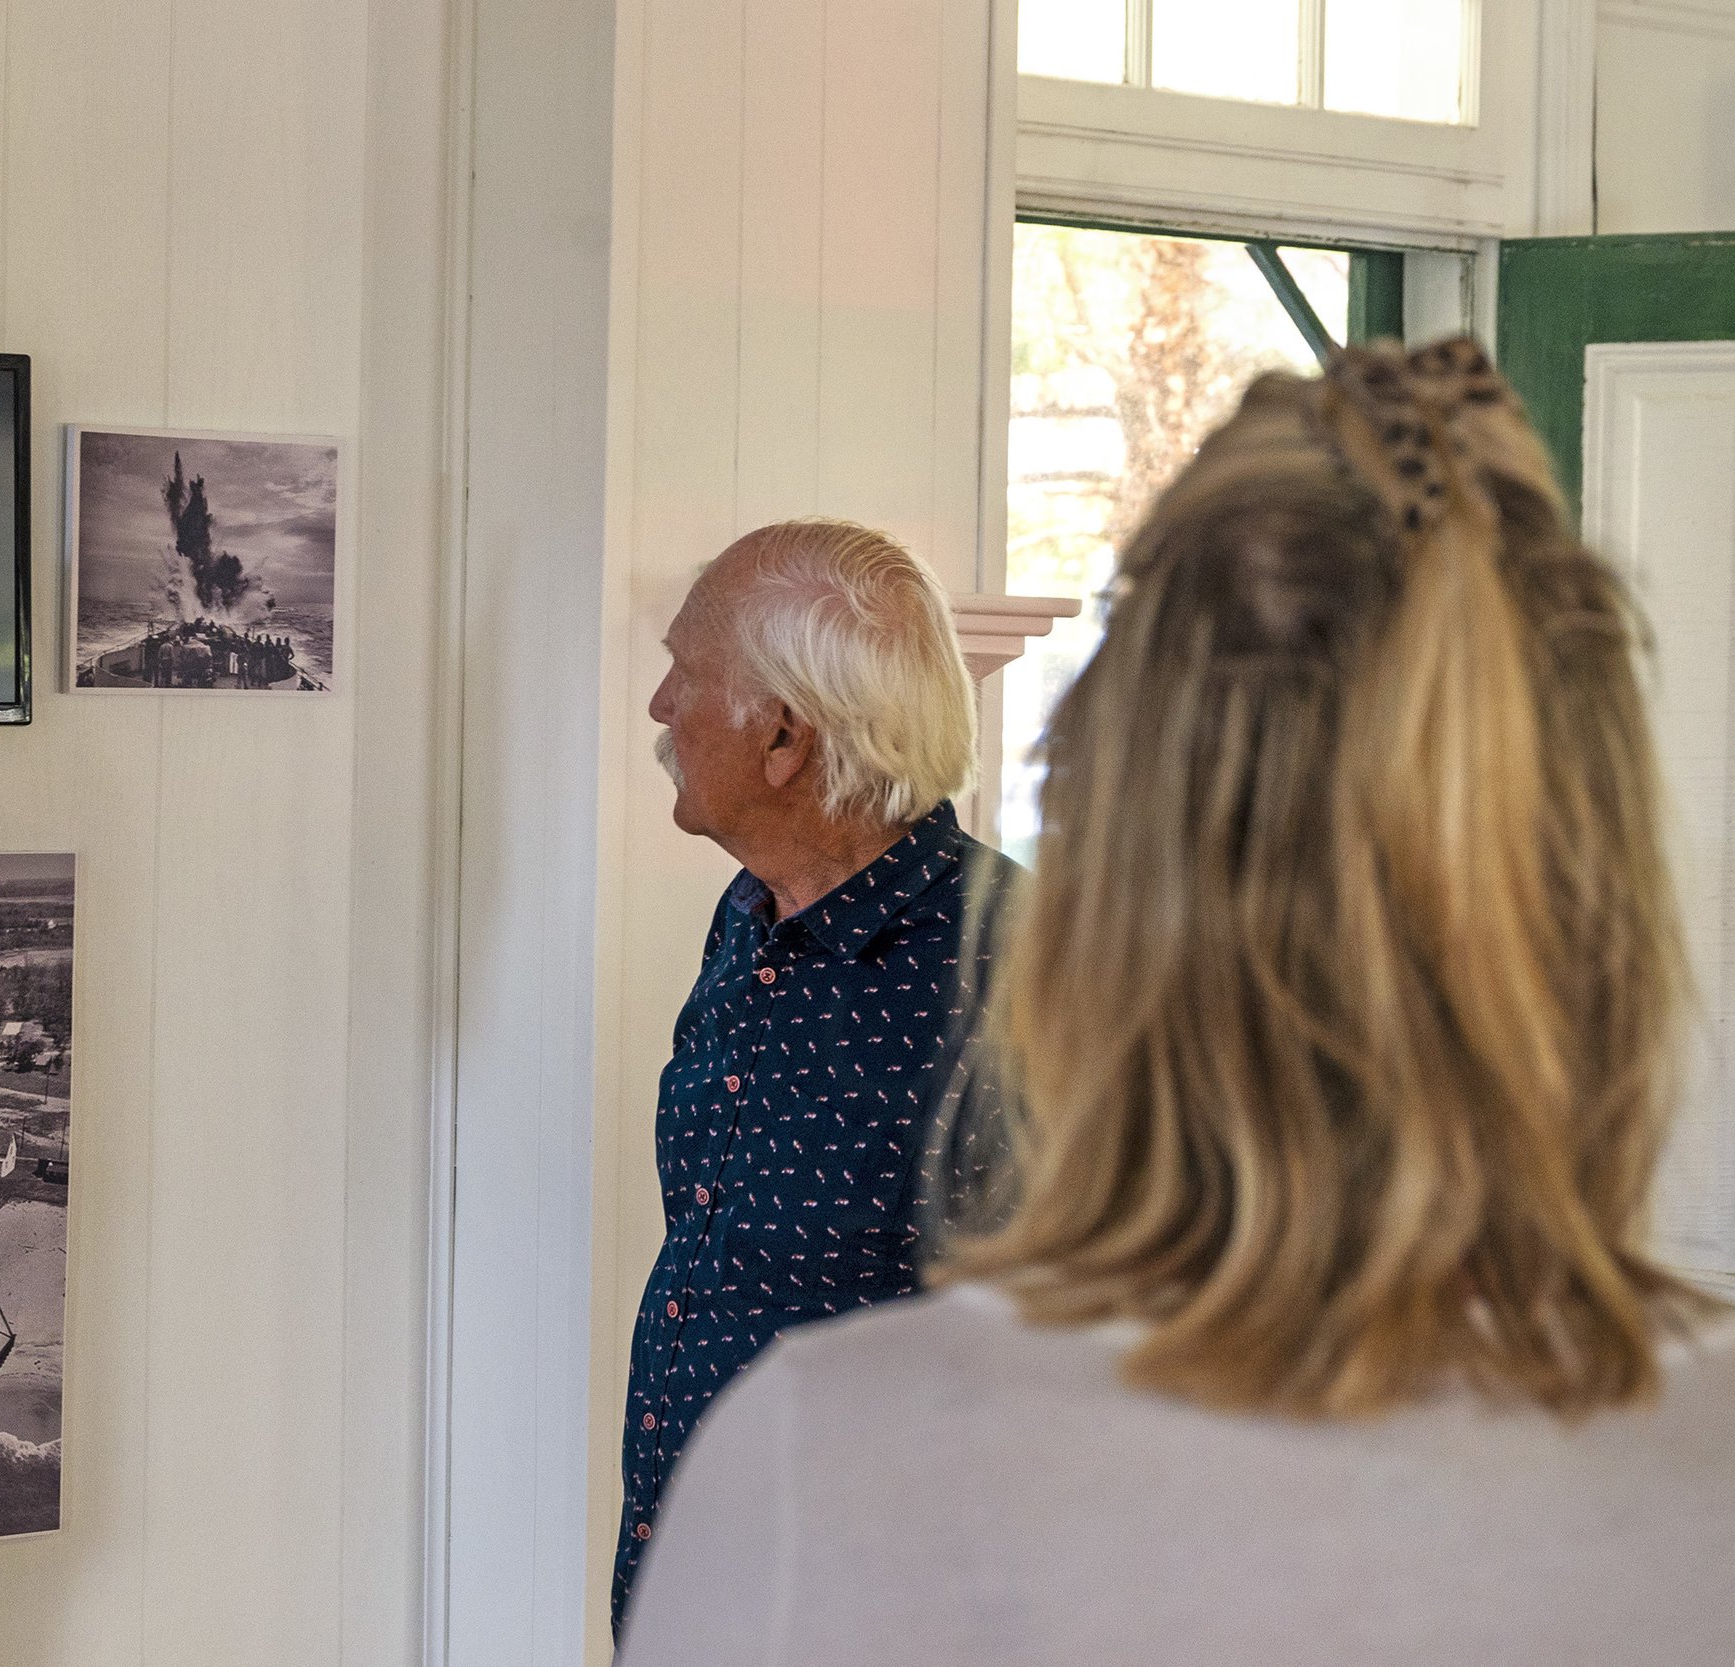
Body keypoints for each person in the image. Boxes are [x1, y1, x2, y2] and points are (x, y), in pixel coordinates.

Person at [616, 341, 1735, 1667]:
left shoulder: (834, 1460)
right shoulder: (1698, 1463)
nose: (660, 703)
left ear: (1108, 899)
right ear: (1608, 880)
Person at [610, 517, 1006, 1633]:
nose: (659, 707)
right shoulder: (750, 918)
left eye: (685, 673)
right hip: (703, 1587)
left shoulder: (1026, 975)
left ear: (782, 734)